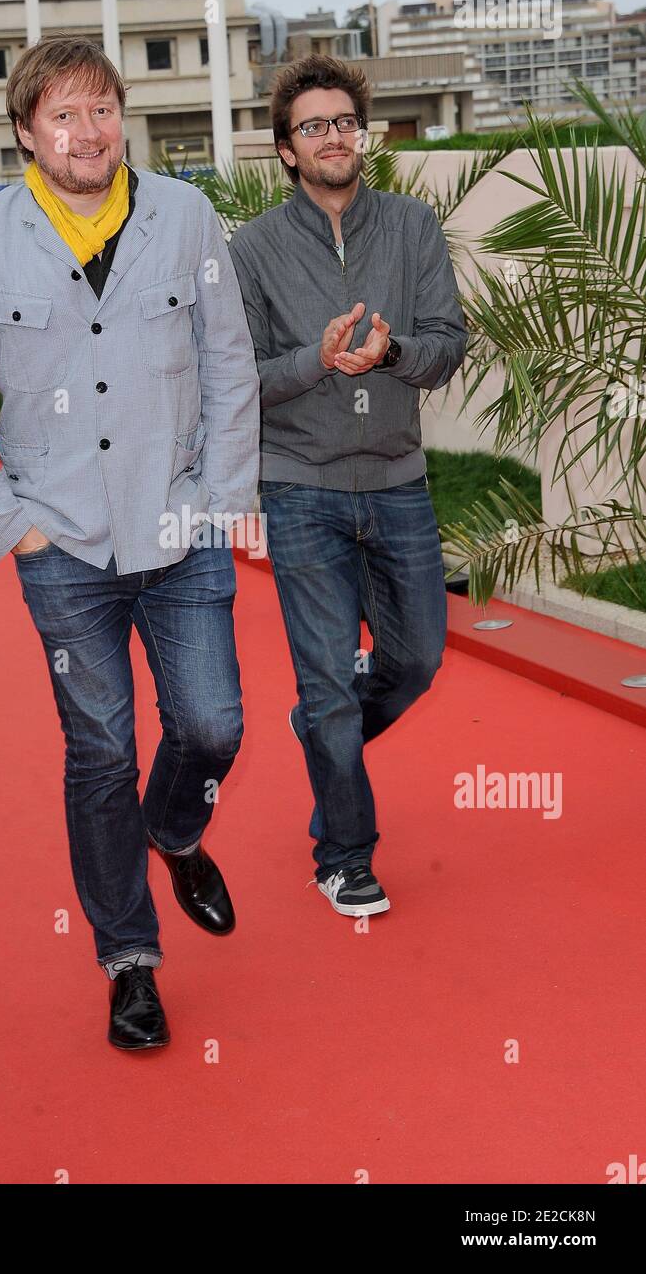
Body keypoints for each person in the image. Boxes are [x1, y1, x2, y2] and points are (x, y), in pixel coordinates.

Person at [0, 36, 259, 1049]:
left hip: (177, 522)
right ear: (26, 131)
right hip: (59, 544)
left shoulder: (184, 216)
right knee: (100, 750)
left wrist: (222, 494)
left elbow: (228, 360)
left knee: (214, 726)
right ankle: (130, 961)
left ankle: (177, 829)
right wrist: (6, 524)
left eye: (103, 111)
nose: (88, 132)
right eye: (65, 115)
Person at [228, 54, 467, 919]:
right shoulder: (250, 249)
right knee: (326, 681)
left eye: (343, 123)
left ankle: (324, 739)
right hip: (299, 487)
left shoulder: (411, 226)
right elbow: (241, 378)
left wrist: (393, 352)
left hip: (398, 479)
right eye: (312, 127)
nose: (332, 138)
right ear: (285, 150)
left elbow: (447, 343)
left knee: (415, 661)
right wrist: (317, 359)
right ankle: (345, 854)